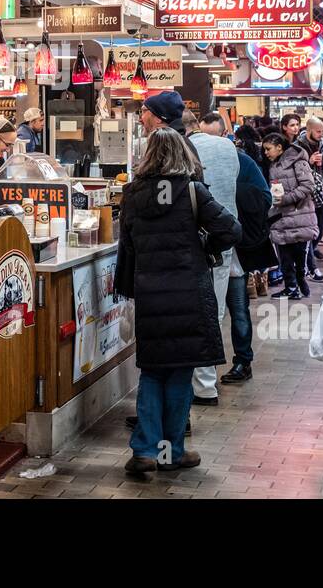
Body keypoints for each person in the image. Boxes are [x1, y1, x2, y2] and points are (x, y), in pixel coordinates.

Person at [116, 129, 240, 477]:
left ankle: (144, 450)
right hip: (188, 294)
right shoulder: (192, 192)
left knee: (153, 372)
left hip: (151, 296)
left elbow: (127, 244)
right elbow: (231, 231)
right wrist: (206, 244)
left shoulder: (131, 194)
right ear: (184, 155)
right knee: (180, 372)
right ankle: (171, 452)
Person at [188, 119, 243, 405]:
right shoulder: (229, 148)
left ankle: (200, 385)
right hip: (223, 239)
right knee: (216, 311)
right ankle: (206, 384)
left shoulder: (186, 150)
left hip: (195, 243)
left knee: (194, 315)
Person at [262, 132, 317, 300]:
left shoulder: (298, 161)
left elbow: (308, 186)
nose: (266, 153)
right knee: (285, 257)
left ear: (279, 147)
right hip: (281, 217)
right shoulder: (272, 164)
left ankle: (299, 282)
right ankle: (291, 287)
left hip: (299, 215)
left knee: (299, 256)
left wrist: (286, 199)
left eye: (268, 149)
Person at [297, 116, 323, 282]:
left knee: (320, 230)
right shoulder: (298, 148)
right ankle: (308, 266)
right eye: (318, 131)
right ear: (309, 130)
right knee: (309, 232)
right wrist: (309, 161)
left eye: (322, 131)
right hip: (306, 196)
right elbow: (293, 169)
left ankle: (309, 258)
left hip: (322, 194)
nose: (321, 134)